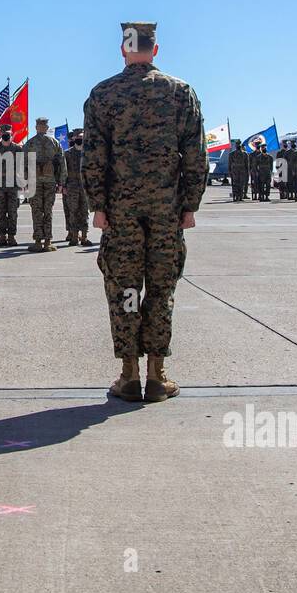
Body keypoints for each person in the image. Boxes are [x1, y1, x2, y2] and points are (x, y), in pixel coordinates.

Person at [83, 21, 205, 404]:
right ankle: (157, 375)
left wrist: (98, 206)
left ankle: (129, 375)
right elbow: (195, 156)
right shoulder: (180, 92)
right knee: (161, 288)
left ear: (123, 49)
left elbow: (93, 158)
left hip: (121, 213)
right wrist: (190, 205)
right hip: (166, 211)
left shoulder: (103, 94)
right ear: (156, 49)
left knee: (125, 290)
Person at [23, 117, 66, 251]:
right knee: (47, 211)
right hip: (48, 181)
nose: (42, 128)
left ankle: (38, 241)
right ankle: (47, 241)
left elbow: (23, 164)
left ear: (37, 127)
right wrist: (61, 182)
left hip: (35, 182)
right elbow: (61, 164)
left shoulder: (30, 144)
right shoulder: (55, 143)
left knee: (37, 211)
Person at [0, 125, 23, 245]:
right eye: (4, 133)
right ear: (1, 135)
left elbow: (23, 167)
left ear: (12, 135)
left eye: (9, 133)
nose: (6, 136)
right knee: (0, 211)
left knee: (13, 211)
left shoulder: (18, 149)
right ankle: (2, 236)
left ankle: (11, 236)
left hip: (13, 185)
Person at [62, 128, 90, 245]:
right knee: (73, 211)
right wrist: (63, 185)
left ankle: (84, 236)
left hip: (85, 186)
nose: (79, 140)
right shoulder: (67, 153)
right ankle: (74, 236)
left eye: (81, 138)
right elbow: (64, 171)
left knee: (84, 211)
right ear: (74, 139)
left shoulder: (88, 153)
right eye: (77, 138)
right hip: (72, 185)